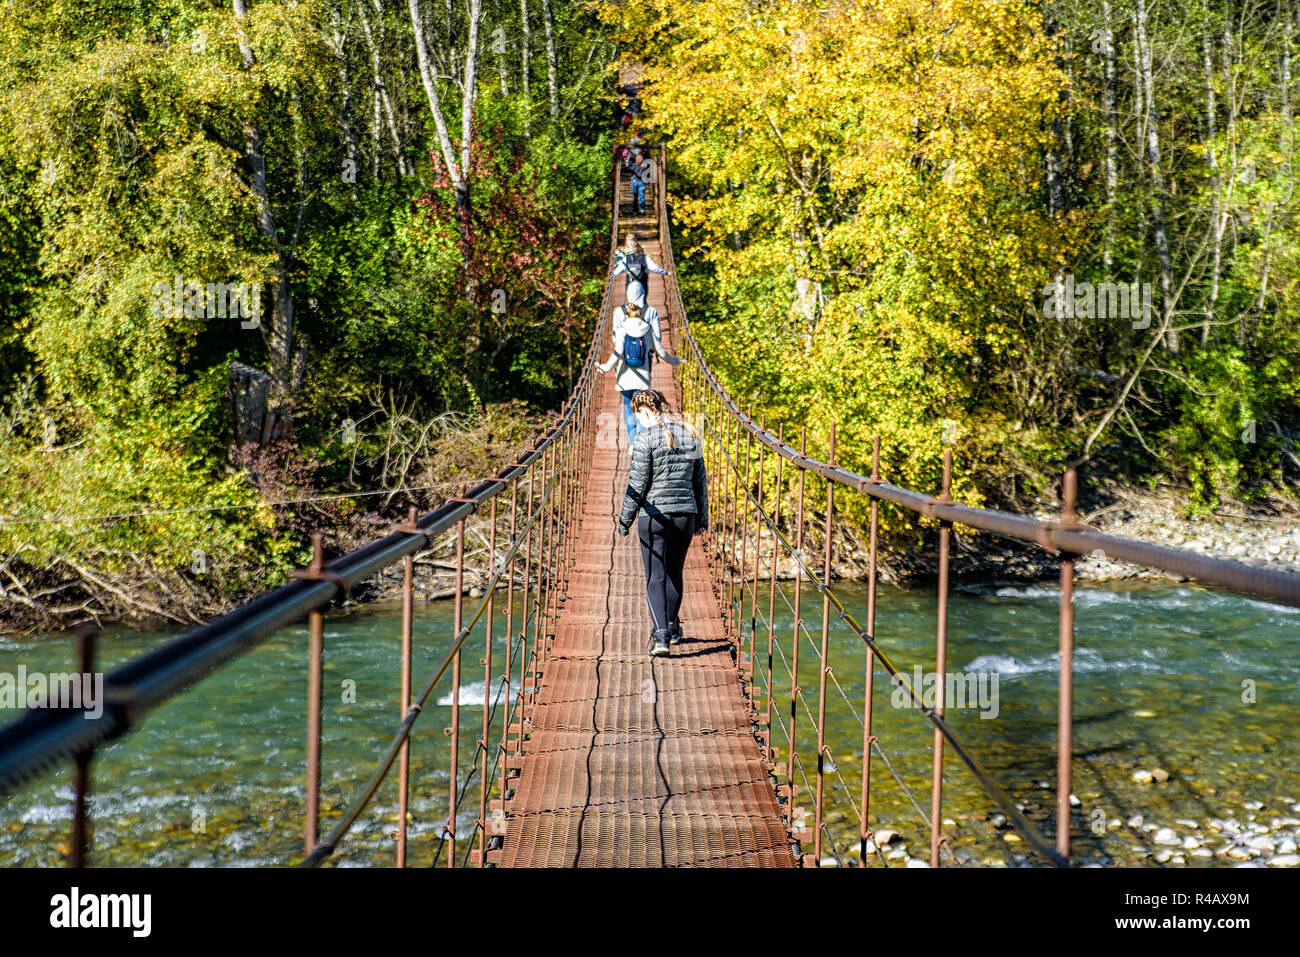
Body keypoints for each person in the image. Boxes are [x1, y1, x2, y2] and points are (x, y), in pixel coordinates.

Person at [617, 390, 709, 657]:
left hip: (654, 517)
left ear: (645, 412)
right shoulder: (691, 434)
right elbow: (700, 482)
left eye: (638, 417)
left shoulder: (645, 438)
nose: (639, 422)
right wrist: (702, 518)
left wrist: (625, 519)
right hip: (685, 516)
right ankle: (672, 626)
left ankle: (661, 638)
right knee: (674, 573)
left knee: (655, 576)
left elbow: (637, 484)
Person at [597, 302, 680, 443]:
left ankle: (632, 443)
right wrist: (676, 361)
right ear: (640, 315)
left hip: (624, 379)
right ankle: (642, 442)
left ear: (627, 315)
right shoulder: (647, 331)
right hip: (642, 381)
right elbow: (661, 352)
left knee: (629, 410)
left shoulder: (622, 331)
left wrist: (604, 368)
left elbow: (617, 354)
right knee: (642, 410)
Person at [612, 234, 669, 305]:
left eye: (632, 241)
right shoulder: (625, 252)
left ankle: (635, 313)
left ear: (635, 242)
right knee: (641, 300)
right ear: (626, 242)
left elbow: (623, 265)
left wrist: (613, 273)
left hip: (636, 278)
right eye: (629, 241)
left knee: (633, 301)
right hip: (638, 279)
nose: (631, 243)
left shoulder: (632, 253)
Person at [626, 149, 650, 215]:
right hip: (641, 182)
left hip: (635, 181)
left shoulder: (634, 166)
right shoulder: (645, 166)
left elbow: (630, 172)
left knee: (635, 196)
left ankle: (635, 210)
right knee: (641, 196)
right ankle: (642, 210)